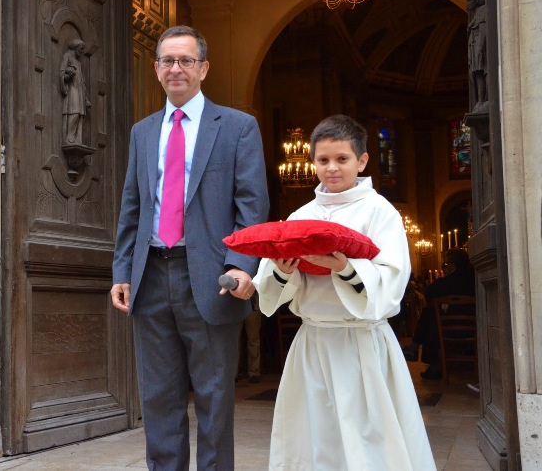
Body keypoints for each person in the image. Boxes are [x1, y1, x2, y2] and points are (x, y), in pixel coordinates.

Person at [110, 25, 269, 470]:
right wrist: (123, 270)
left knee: (215, 401)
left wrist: (242, 267)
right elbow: (133, 206)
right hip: (150, 276)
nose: (175, 68)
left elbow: (251, 205)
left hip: (212, 279)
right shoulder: (143, 132)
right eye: (166, 61)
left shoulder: (237, 127)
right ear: (157, 68)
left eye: (184, 60)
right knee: (159, 400)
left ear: (203, 68)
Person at [253, 114, 434, 470]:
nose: (331, 168)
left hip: (362, 343)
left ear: (362, 160)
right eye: (323, 160)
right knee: (314, 437)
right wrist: (282, 270)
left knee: (369, 440)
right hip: (314, 343)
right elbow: (271, 287)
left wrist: (343, 267)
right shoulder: (300, 215)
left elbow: (393, 280)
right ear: (312, 161)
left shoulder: (381, 212)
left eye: (342, 159)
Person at [403, 248, 476, 380]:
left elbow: (430, 291)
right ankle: (418, 351)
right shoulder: (475, 277)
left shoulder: (451, 280)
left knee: (430, 314)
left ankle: (431, 362)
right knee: (431, 315)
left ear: (453, 265)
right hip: (474, 327)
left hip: (448, 330)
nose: (445, 268)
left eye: (446, 265)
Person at [59, 38, 91, 144]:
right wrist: (68, 76)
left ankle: (78, 139)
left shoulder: (78, 62)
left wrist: (86, 98)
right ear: (75, 47)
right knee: (75, 112)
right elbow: (62, 72)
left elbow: (82, 79)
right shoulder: (67, 56)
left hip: (80, 89)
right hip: (73, 88)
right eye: (81, 49)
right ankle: (69, 137)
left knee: (81, 114)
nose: (82, 51)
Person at [238, 298, 262, 384]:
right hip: (236, 307)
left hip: (253, 304)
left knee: (253, 339)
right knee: (234, 341)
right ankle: (233, 373)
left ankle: (254, 373)